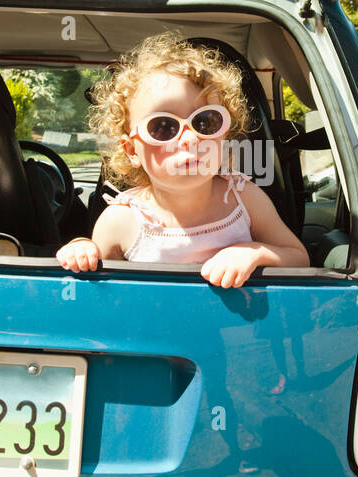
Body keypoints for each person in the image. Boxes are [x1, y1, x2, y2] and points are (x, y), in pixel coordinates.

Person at [56, 34, 308, 287]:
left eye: (205, 122)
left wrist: (254, 252)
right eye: (163, 127)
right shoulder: (119, 222)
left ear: (224, 135)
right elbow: (104, 292)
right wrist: (82, 250)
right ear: (132, 150)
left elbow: (299, 258)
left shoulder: (245, 199)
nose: (190, 139)